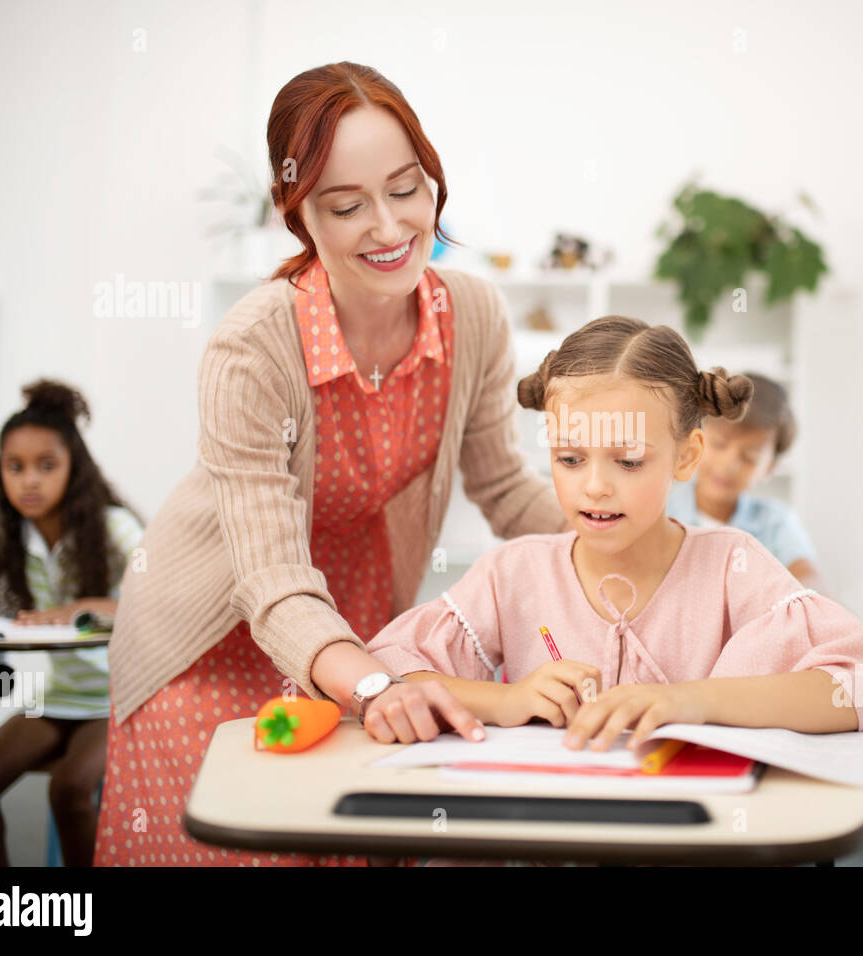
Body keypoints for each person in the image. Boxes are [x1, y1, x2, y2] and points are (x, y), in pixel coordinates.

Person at [93, 61, 567, 867]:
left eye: (407, 189)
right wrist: (380, 686)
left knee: (367, 840)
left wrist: (632, 538)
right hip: (213, 640)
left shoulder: (472, 315)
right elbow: (270, 579)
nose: (387, 227)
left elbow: (504, 485)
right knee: (245, 843)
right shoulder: (255, 347)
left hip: (358, 632)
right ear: (301, 215)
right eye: (347, 206)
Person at [367, 317, 863, 864]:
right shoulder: (514, 571)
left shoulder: (731, 564)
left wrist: (690, 701)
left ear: (687, 456)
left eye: (628, 460)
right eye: (569, 459)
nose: (595, 485)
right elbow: (384, 671)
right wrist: (507, 700)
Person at [0, 379, 145, 866]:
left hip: (111, 703)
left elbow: (155, 594)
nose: (29, 480)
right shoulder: (10, 532)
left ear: (74, 470)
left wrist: (83, 607)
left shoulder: (113, 526)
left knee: (69, 788)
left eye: (45, 466)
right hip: (54, 702)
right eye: (15, 467)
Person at [668, 371, 827, 594]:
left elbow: (811, 579)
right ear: (695, 442)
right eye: (719, 445)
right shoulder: (660, 509)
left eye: (749, 457)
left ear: (769, 468)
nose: (729, 465)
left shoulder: (774, 522)